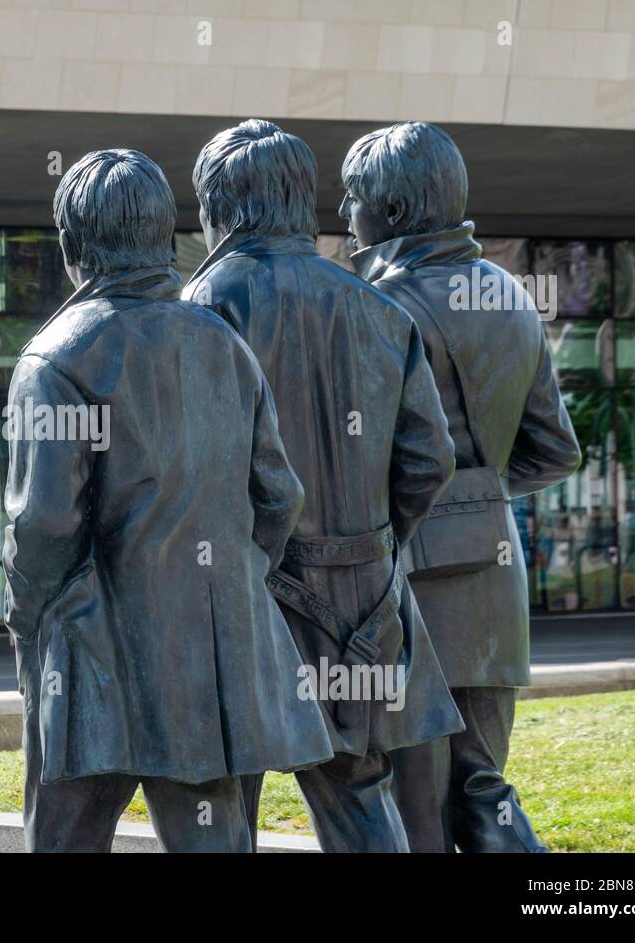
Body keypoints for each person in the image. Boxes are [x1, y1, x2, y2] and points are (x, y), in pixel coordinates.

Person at [4, 148, 333, 853]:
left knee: (63, 838)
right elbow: (278, 495)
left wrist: (28, 622)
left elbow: (43, 528)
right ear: (163, 236)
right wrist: (233, 580)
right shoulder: (222, 343)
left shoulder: (54, 358)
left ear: (70, 248)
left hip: (91, 651)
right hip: (213, 650)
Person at [184, 119, 462, 853]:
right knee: (357, 794)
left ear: (222, 205)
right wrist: (375, 543)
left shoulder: (201, 309)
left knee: (222, 800)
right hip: (363, 602)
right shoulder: (376, 304)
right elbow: (429, 460)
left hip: (245, 601)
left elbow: (192, 470)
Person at [341, 121, 581, 852]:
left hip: (412, 583)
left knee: (415, 809)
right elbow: (555, 451)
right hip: (494, 587)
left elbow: (370, 463)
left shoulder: (381, 306)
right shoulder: (508, 296)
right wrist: (479, 497)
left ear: (394, 211)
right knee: (480, 788)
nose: (345, 217)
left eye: (354, 199)